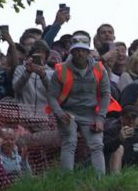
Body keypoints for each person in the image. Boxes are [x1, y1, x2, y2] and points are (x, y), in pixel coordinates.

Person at [46, 34, 112, 175]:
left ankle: (100, 180)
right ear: (71, 52)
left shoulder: (100, 70)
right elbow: (51, 96)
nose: (79, 53)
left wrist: (100, 118)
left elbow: (106, 94)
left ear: (88, 52)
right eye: (76, 50)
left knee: (96, 145)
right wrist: (60, 113)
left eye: (83, 50)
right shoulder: (61, 70)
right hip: (68, 112)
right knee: (69, 142)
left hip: (91, 113)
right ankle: (66, 180)